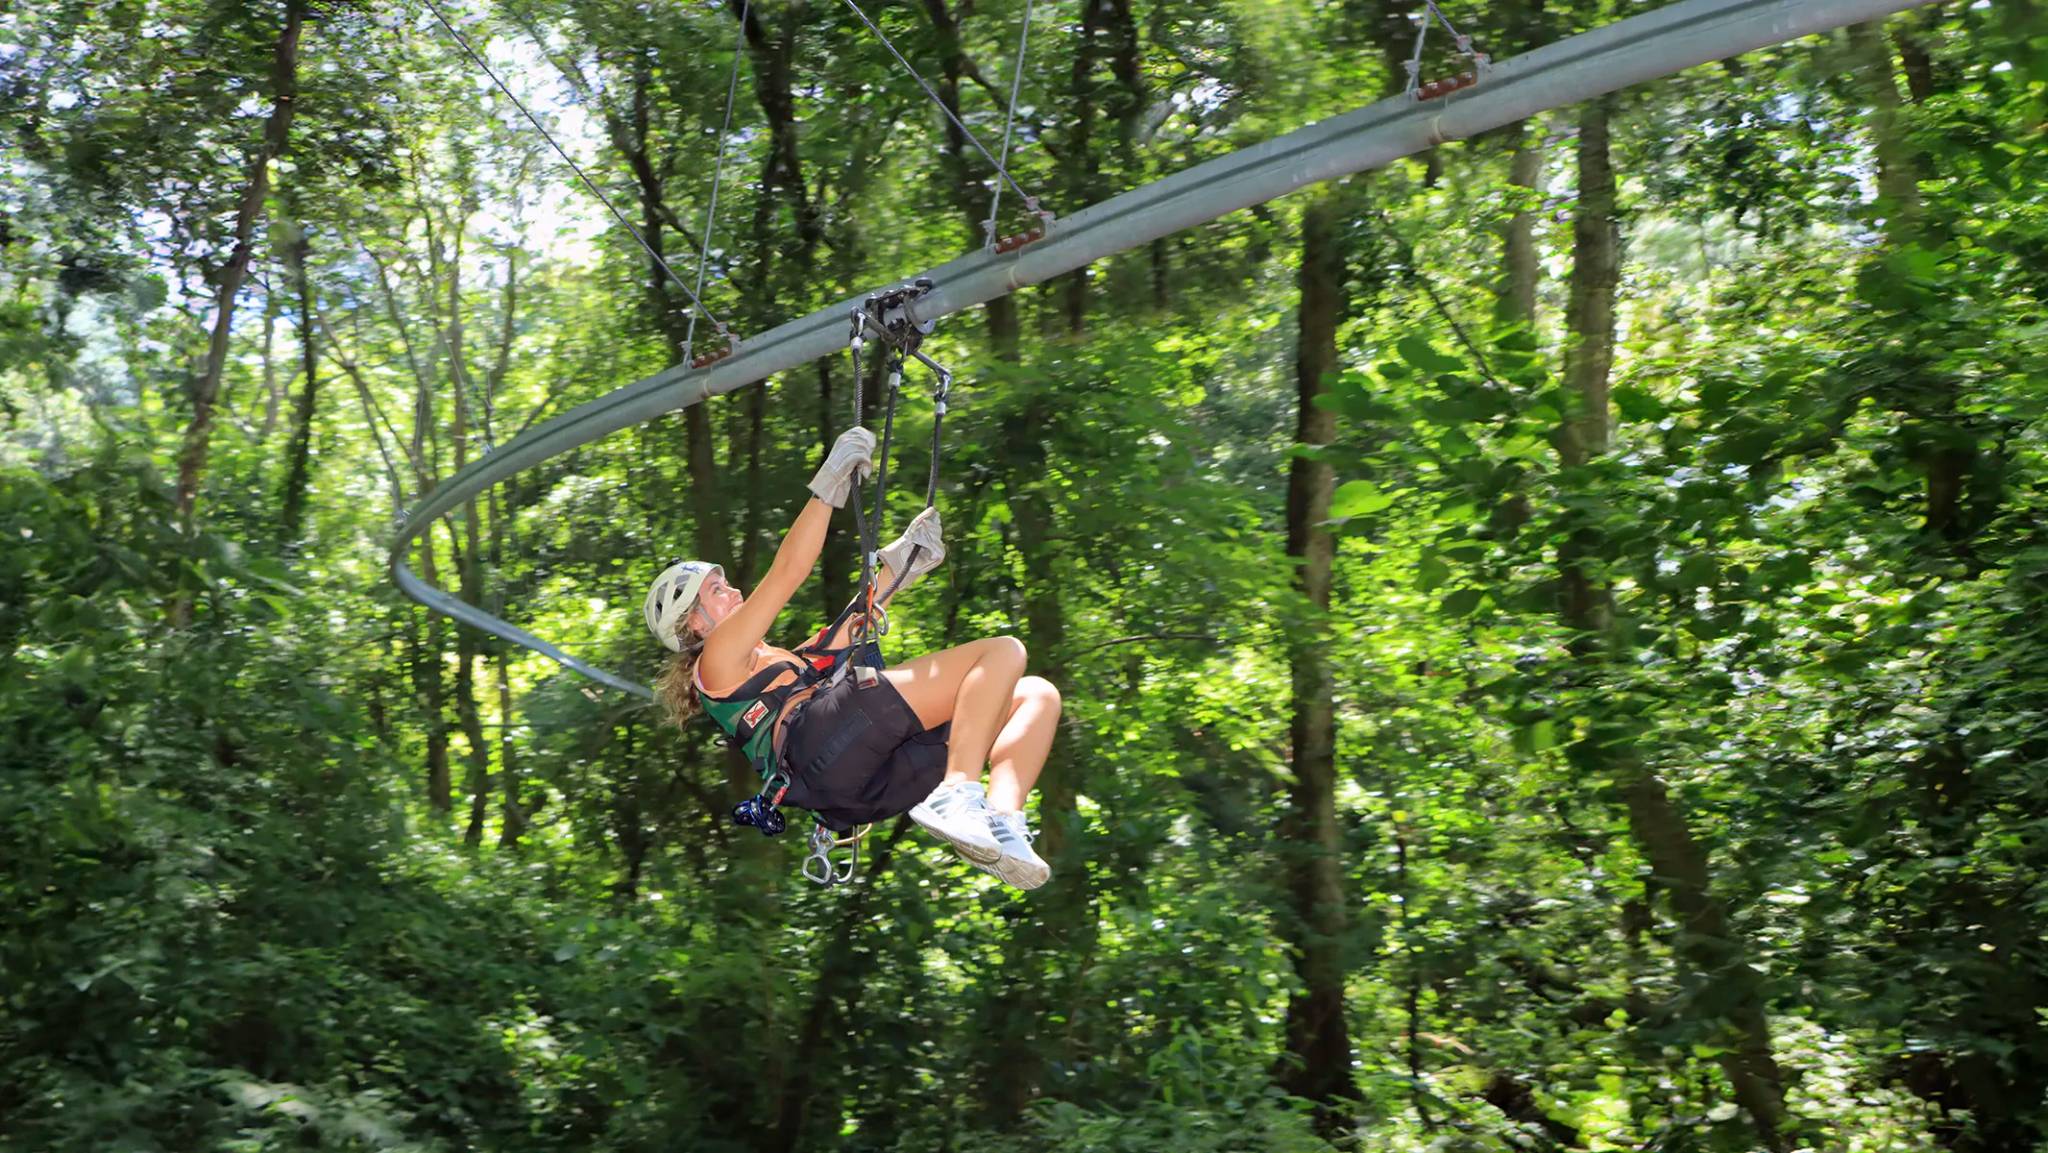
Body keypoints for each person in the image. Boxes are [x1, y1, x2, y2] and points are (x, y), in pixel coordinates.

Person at [645, 427, 1061, 890]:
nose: (734, 591)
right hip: (825, 745)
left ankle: (1001, 821)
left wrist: (901, 567)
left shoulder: (774, 666)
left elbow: (848, 629)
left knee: (1035, 695)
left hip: (858, 786)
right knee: (1003, 651)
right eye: (717, 591)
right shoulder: (715, 659)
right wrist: (828, 487)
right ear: (694, 623)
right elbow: (788, 573)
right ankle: (956, 792)